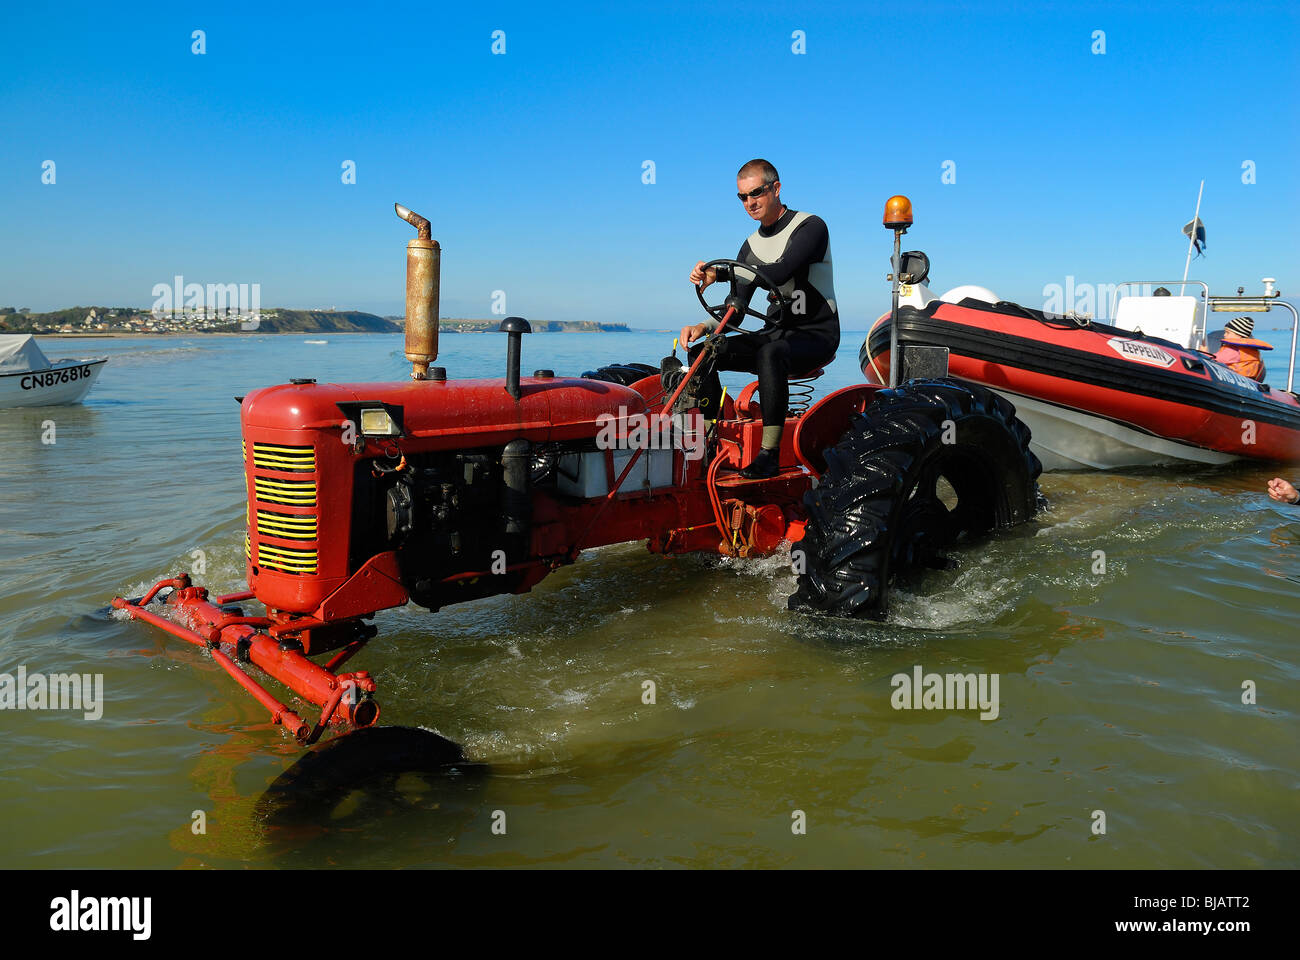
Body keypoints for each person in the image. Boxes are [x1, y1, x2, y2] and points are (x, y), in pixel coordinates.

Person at [667, 159, 839, 479]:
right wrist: (702, 327)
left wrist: (718, 272)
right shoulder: (749, 247)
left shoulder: (811, 226)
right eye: (742, 197)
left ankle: (769, 455)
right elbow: (739, 305)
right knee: (705, 351)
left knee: (770, 353)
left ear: (776, 188)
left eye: (756, 193)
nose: (750, 203)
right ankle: (709, 441)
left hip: (815, 334)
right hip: (775, 331)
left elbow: (780, 271)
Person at [1214, 315, 1271, 382]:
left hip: (1233, 379)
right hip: (1247, 380)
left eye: (1228, 332)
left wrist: (1204, 353)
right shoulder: (1251, 349)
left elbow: (1217, 359)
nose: (1224, 335)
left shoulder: (1233, 349)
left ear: (1239, 335)